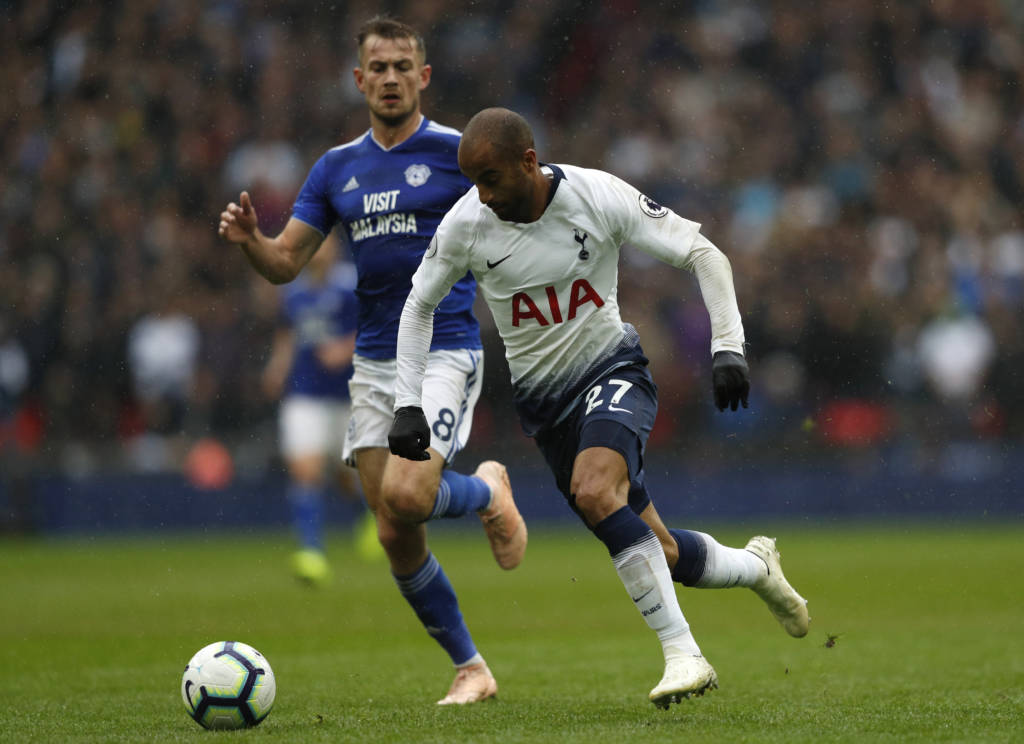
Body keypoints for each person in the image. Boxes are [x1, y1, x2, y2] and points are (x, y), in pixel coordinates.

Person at [388, 107, 810, 708]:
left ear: (529, 162)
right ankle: (755, 568)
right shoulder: (467, 224)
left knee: (593, 490)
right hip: (546, 409)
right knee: (660, 551)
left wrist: (728, 348)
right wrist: (409, 406)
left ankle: (684, 655)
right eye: (472, 181)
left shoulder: (596, 194)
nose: (481, 194)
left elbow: (704, 252)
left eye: (491, 178)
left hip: (613, 370)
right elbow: (416, 307)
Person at [218, 19, 527, 705]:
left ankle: (487, 493)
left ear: (424, 77)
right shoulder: (335, 168)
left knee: (409, 497)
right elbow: (285, 263)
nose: (390, 78)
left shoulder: (458, 153)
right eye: (377, 67)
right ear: (359, 80)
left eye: (402, 66)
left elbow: (523, 217)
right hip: (373, 360)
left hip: (445, 348)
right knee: (394, 532)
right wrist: (249, 241)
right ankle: (471, 667)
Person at [260, 232, 379, 585]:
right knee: (305, 470)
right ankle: (311, 551)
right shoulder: (293, 292)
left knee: (346, 476)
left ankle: (366, 516)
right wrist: (277, 367)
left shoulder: (351, 286)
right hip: (305, 393)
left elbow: (377, 325)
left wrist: (345, 348)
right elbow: (287, 334)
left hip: (350, 395)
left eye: (323, 243)